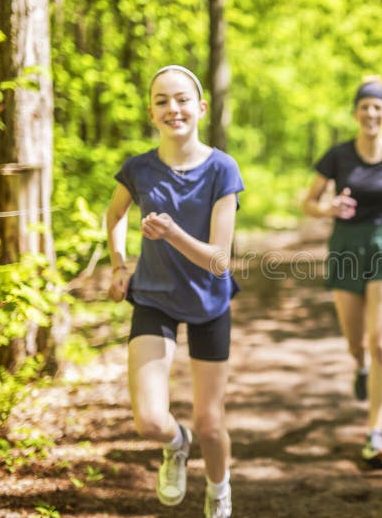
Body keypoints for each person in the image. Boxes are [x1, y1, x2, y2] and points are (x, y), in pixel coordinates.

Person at [106, 65, 243, 518]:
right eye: (162, 100)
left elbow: (220, 261)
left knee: (209, 421)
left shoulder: (223, 169)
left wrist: (171, 233)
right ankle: (175, 443)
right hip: (153, 298)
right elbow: (114, 216)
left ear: (200, 107)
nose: (173, 108)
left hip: (209, 303)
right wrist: (118, 264)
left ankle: (219, 485)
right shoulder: (138, 168)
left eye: (182, 99)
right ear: (151, 112)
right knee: (148, 420)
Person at [301, 75, 382, 466]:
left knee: (380, 341)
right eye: (364, 107)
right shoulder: (337, 156)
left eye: (377, 107)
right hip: (346, 247)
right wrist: (328, 208)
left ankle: (376, 430)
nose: (371, 113)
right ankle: (360, 365)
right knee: (357, 342)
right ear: (356, 114)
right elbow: (308, 202)